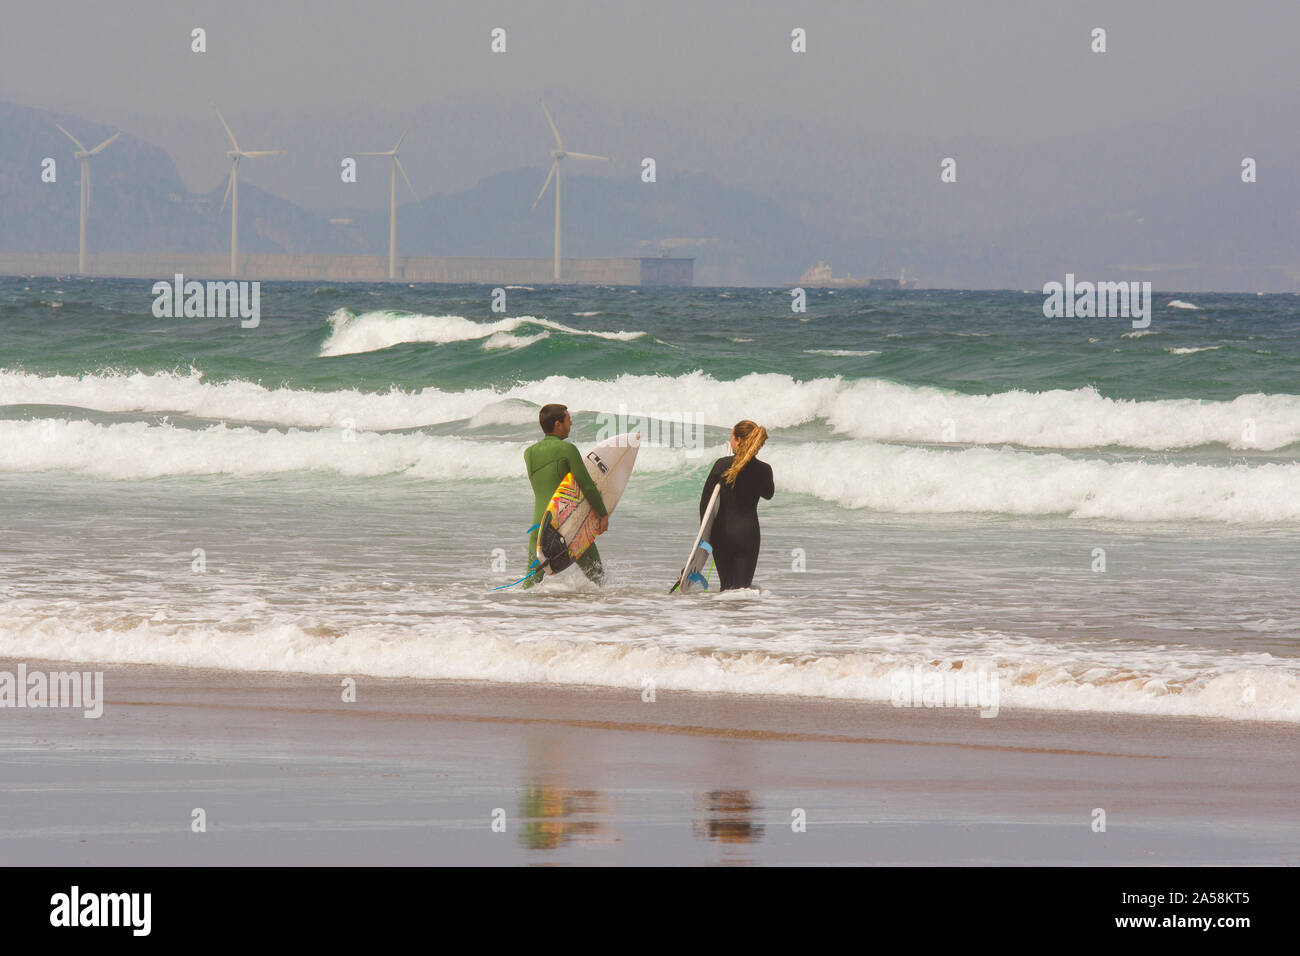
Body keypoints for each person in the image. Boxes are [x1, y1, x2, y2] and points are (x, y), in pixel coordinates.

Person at [522, 404, 609, 587]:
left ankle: (515, 613)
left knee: (530, 584)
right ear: (557, 424)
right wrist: (602, 513)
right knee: (599, 580)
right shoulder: (567, 449)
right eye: (568, 420)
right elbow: (586, 485)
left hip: (539, 527)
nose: (571, 424)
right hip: (566, 525)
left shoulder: (528, 453)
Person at [699, 420, 774, 591]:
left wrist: (704, 537)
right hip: (748, 535)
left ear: (738, 440)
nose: (731, 441)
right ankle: (741, 617)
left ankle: (725, 618)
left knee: (726, 588)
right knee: (742, 591)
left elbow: (705, 503)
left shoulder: (722, 465)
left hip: (722, 534)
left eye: (731, 437)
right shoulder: (764, 469)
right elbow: (768, 494)